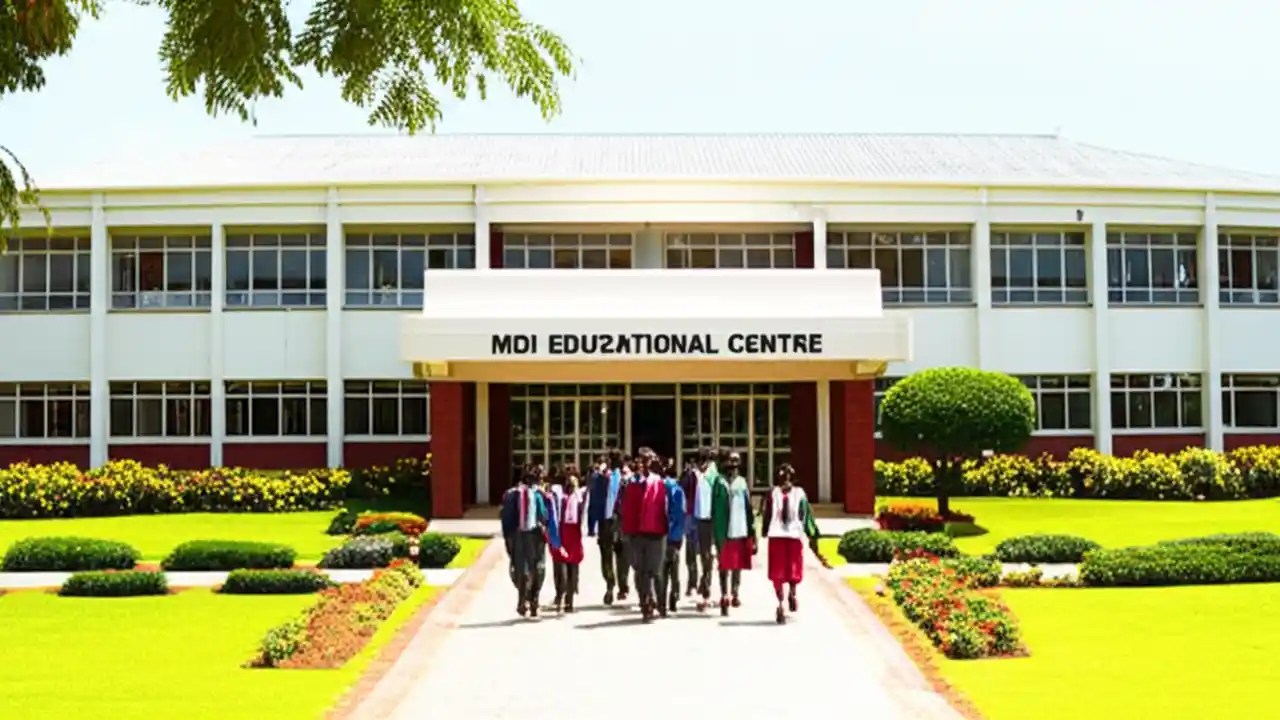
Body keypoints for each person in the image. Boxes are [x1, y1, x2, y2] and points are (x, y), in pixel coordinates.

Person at [761, 462, 827, 624]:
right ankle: (781, 603)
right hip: (778, 536)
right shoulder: (772, 494)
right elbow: (767, 515)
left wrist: (812, 533)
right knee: (780, 573)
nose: (786, 483)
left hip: (793, 536)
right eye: (783, 479)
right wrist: (764, 530)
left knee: (791, 571)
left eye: (788, 479)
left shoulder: (799, 494)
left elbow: (805, 516)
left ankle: (790, 593)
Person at [618, 449, 673, 621]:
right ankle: (645, 602)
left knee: (655, 570)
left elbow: (670, 508)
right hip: (636, 533)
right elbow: (624, 508)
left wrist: (673, 532)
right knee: (640, 570)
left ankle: (659, 602)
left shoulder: (661, 483)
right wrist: (624, 532)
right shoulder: (630, 484)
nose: (645, 464)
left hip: (657, 533)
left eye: (649, 460)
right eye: (642, 460)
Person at [500, 466, 561, 618]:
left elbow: (506, 519)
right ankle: (534, 600)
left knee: (520, 569)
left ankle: (523, 599)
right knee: (538, 567)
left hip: (519, 535)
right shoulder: (541, 495)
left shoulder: (511, 495)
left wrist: (508, 539)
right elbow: (545, 516)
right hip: (536, 536)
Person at [710, 451, 755, 616]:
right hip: (723, 532)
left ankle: (735, 592)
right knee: (723, 565)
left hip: (739, 530)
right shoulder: (719, 482)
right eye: (731, 461)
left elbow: (749, 509)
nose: (733, 464)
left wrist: (752, 532)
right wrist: (713, 532)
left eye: (736, 461)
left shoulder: (742, 483)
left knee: (737, 565)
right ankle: (724, 594)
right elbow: (713, 509)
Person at [586, 449, 630, 605]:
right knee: (620, 554)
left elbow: (593, 503)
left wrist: (591, 525)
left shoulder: (603, 478)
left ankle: (613, 585)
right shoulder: (624, 478)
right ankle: (619, 585)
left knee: (610, 555)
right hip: (618, 521)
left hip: (610, 521)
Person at [680, 447, 717, 611]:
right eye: (699, 460)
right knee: (695, 554)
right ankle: (696, 582)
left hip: (709, 520)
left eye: (705, 460)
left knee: (707, 555)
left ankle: (706, 587)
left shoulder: (714, 476)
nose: (702, 464)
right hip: (695, 518)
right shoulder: (693, 475)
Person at [550, 463, 587, 613]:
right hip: (565, 533)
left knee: (569, 567)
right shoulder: (562, 496)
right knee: (565, 567)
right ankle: (563, 596)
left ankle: (567, 598)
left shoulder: (578, 497)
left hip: (572, 534)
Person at [660, 456, 687, 614]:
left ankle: (661, 601)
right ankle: (674, 597)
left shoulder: (659, 488)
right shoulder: (678, 490)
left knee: (662, 570)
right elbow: (682, 512)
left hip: (661, 535)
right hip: (675, 536)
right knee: (674, 570)